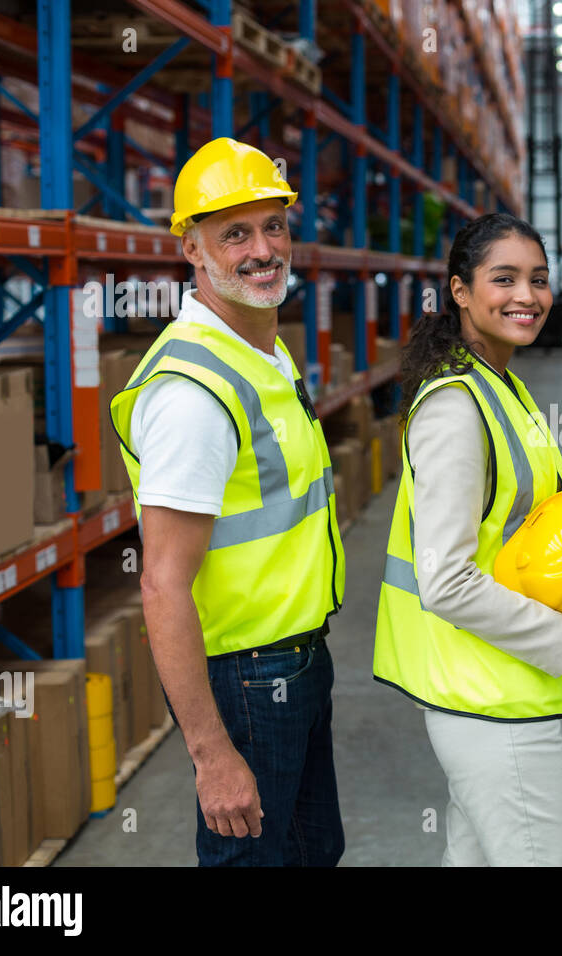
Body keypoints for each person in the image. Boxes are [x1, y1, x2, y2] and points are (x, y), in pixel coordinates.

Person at [109, 138, 346, 866]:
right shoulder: (192, 395)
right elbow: (163, 582)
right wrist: (212, 754)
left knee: (311, 854)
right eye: (233, 233)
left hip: (300, 660)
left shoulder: (263, 351)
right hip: (247, 677)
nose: (261, 249)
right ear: (191, 248)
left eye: (273, 226)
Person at [373, 213, 562, 867]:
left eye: (538, 280)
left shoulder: (500, 386)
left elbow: (523, 543)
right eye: (504, 278)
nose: (527, 296)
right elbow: (447, 580)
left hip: (493, 690)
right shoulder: (457, 409)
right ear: (460, 290)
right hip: (489, 705)